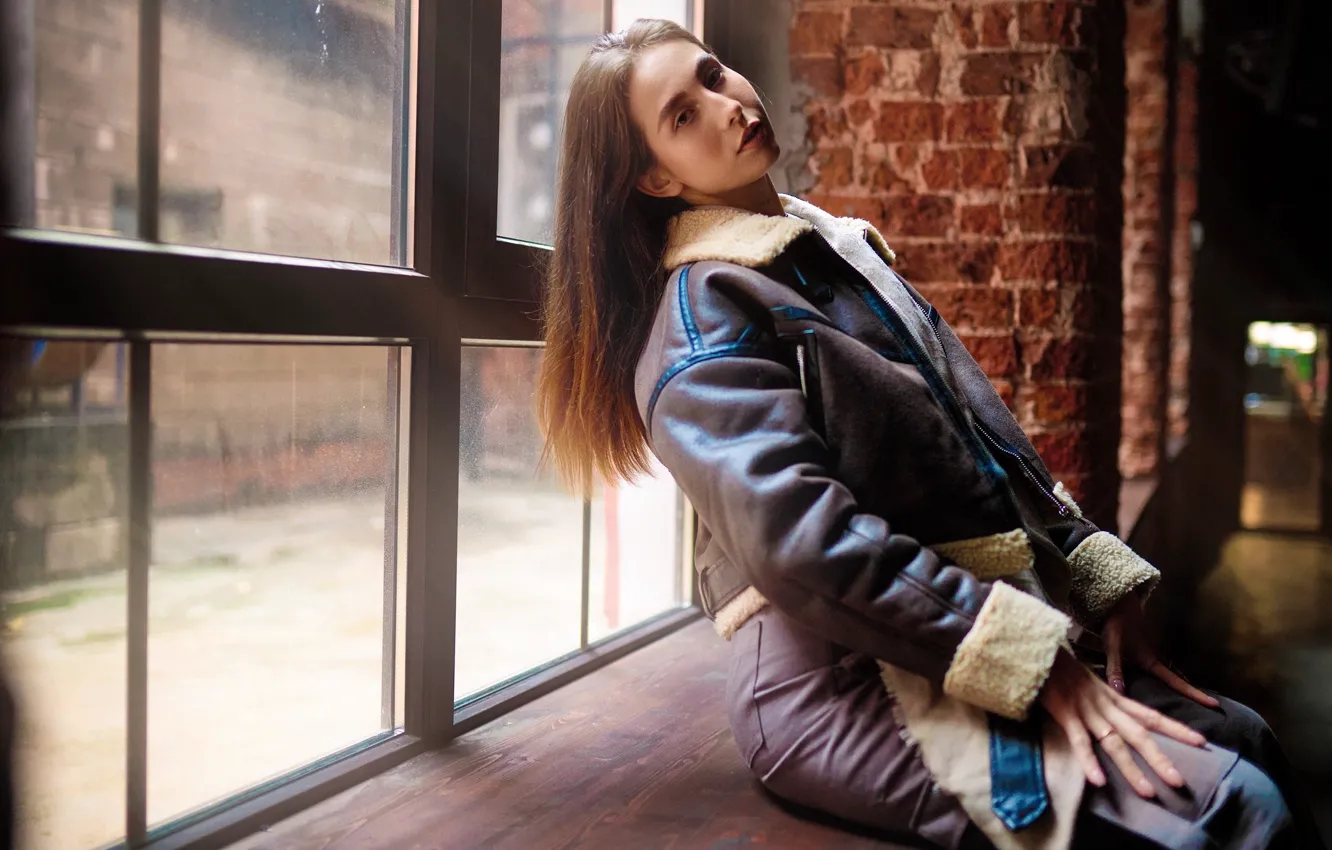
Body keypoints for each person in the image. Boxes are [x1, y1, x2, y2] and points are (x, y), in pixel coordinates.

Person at [535, 18, 1322, 850]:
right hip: (839, 688)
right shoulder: (705, 320)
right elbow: (804, 545)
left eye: (714, 74)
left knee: (1245, 737)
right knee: (1237, 814)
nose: (726, 105)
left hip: (949, 632)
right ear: (656, 177)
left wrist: (1096, 579)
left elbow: (979, 437)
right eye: (682, 115)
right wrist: (1034, 657)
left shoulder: (831, 253)